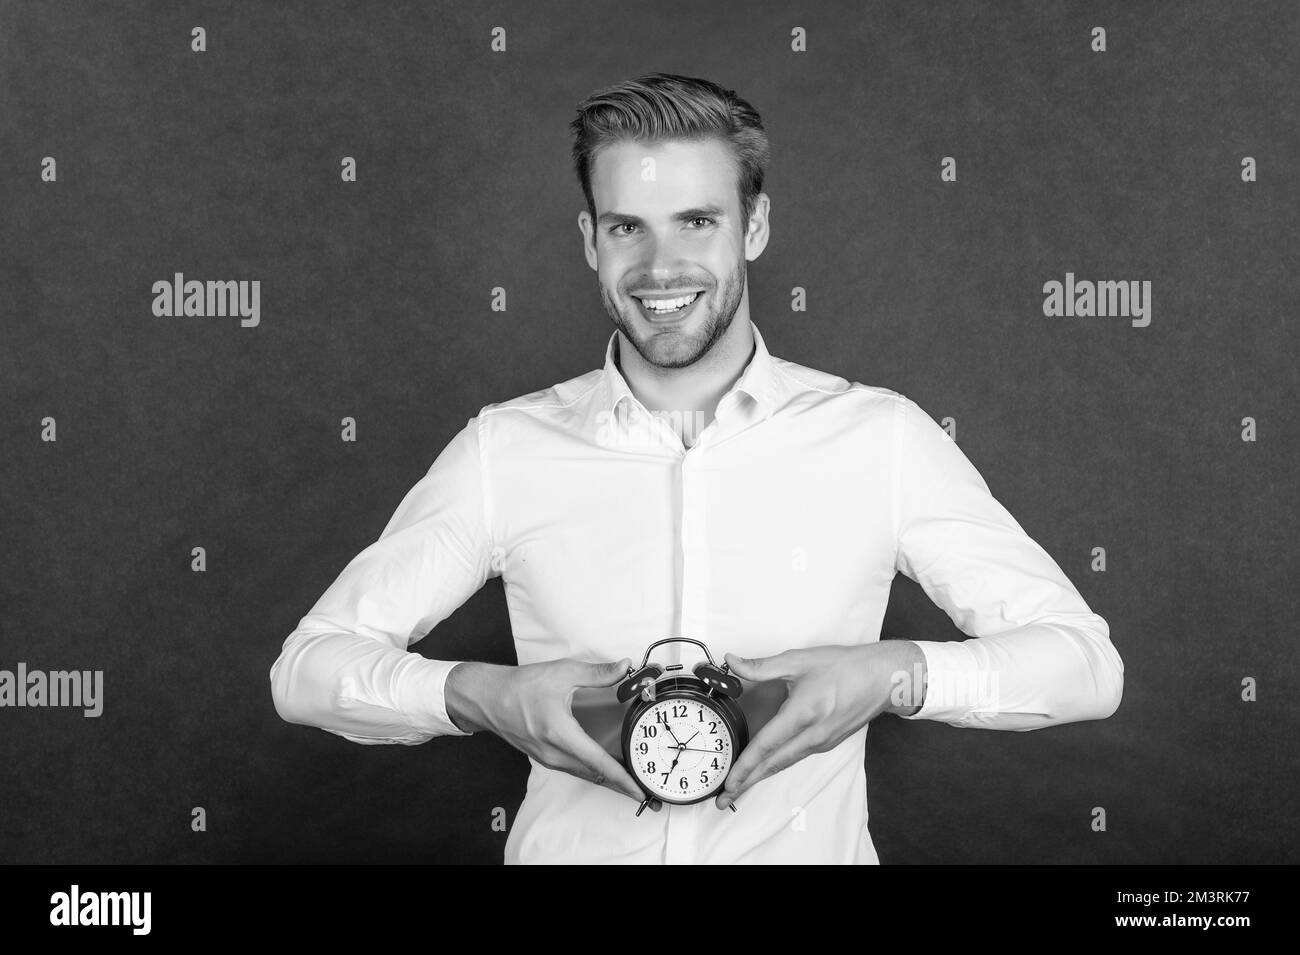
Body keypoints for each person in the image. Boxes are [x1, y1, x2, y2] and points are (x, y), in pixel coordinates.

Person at [269, 72, 1124, 864]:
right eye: (626, 227)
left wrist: (895, 676)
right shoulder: (507, 448)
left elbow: (1084, 664)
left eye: (697, 220)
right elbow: (306, 670)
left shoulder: (882, 438)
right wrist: (478, 695)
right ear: (589, 240)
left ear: (753, 226)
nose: (659, 267)